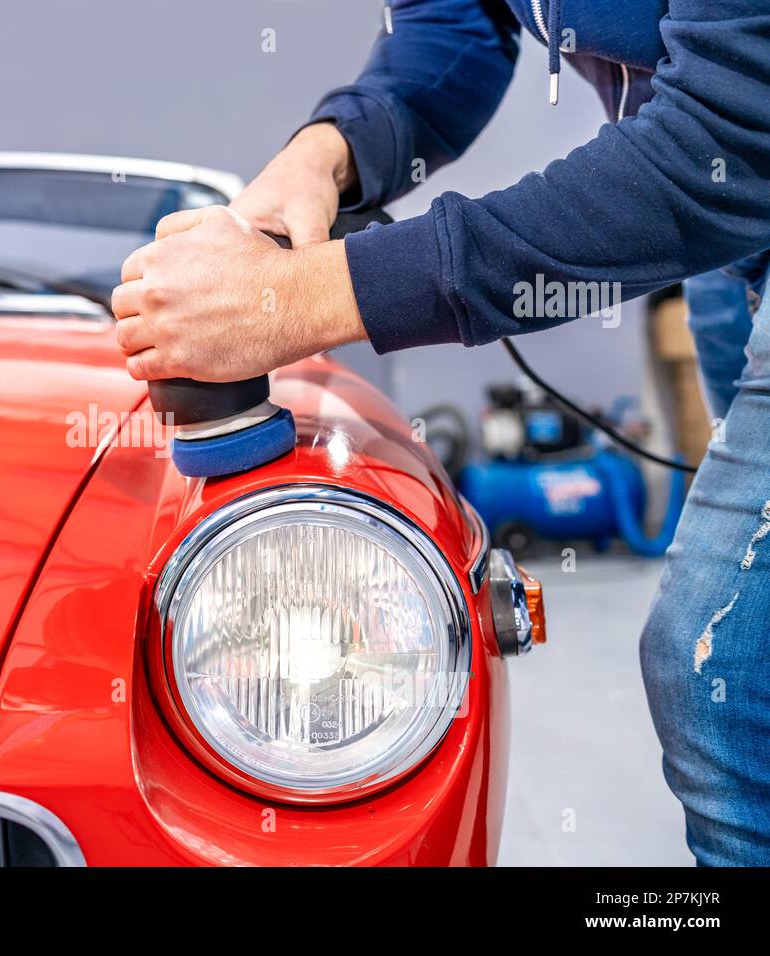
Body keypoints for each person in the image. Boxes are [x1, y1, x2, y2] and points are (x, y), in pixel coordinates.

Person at [111, 0, 770, 865]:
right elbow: (455, 23)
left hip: (736, 167)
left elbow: (727, 139)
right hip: (741, 235)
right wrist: (323, 157)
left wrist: (307, 299)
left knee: (719, 679)